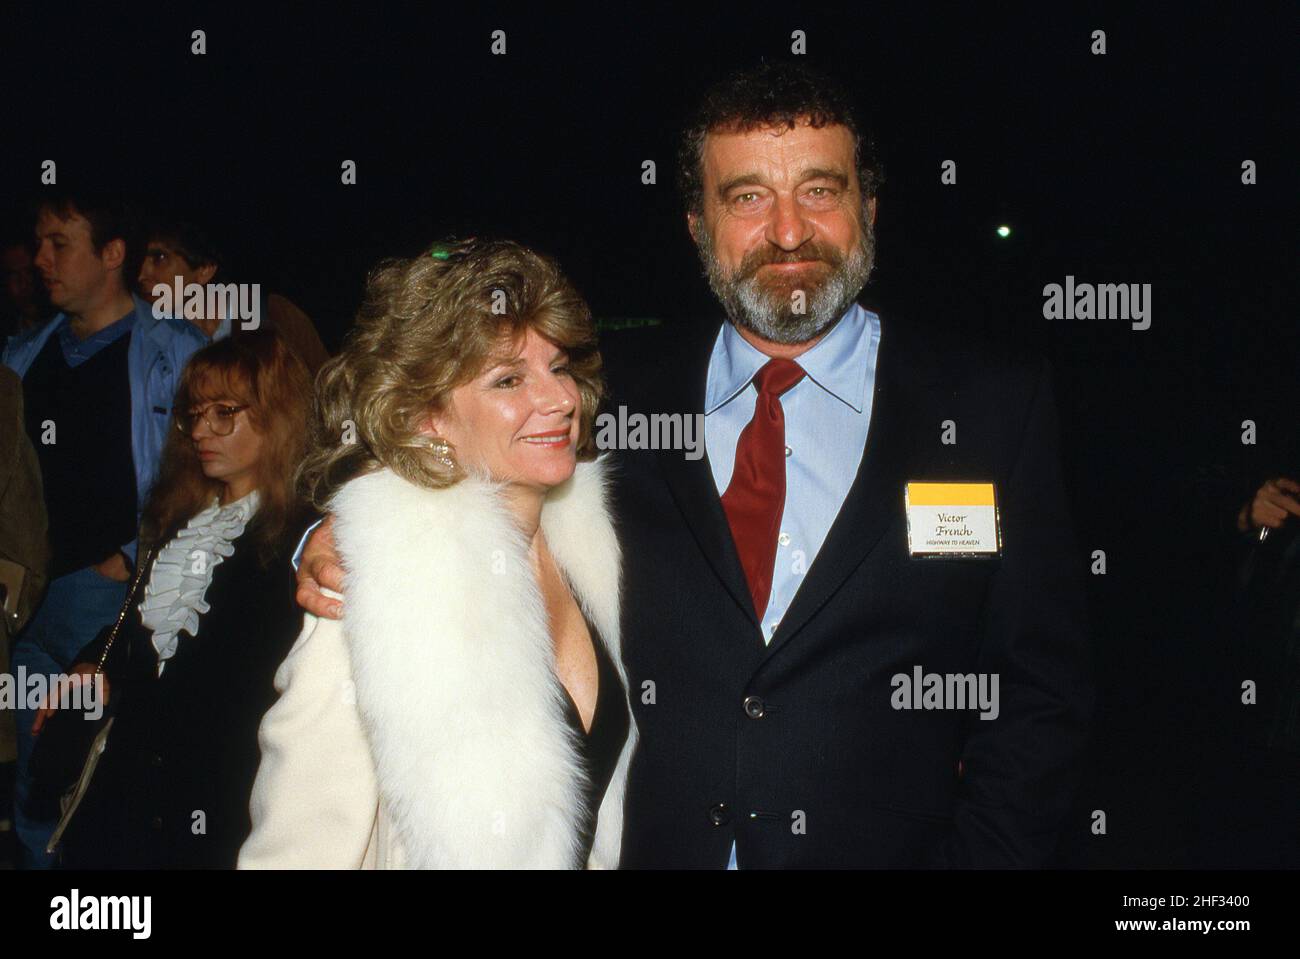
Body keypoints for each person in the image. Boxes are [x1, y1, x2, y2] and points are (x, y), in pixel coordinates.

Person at [298, 63, 1095, 869]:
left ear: (870, 208)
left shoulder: (992, 407)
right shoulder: (605, 391)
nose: (788, 231)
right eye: (747, 197)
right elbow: (449, 430)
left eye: (820, 190)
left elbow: (1040, 695)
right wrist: (347, 534)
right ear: (695, 223)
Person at [238, 238, 633, 869]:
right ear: (425, 417)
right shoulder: (373, 591)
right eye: (508, 378)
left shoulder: (604, 549)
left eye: (558, 366)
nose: (559, 399)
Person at [33, 329, 312, 868]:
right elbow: (140, 626)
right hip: (132, 796)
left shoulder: (303, 537)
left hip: (227, 798)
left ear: (276, 416)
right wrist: (95, 662)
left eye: (225, 412)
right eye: (194, 413)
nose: (202, 430)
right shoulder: (177, 517)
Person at [2, 189, 206, 867]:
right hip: (29, 609)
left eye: (60, 242)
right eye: (38, 242)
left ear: (110, 254)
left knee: (113, 787)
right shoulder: (24, 357)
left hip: (116, 604)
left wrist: (131, 557)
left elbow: (210, 472)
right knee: (34, 782)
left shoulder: (174, 353)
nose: (41, 258)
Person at [136, 212, 330, 374]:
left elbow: (331, 394)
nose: (142, 275)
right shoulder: (152, 343)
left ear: (205, 269)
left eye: (159, 259)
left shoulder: (273, 317)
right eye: (140, 262)